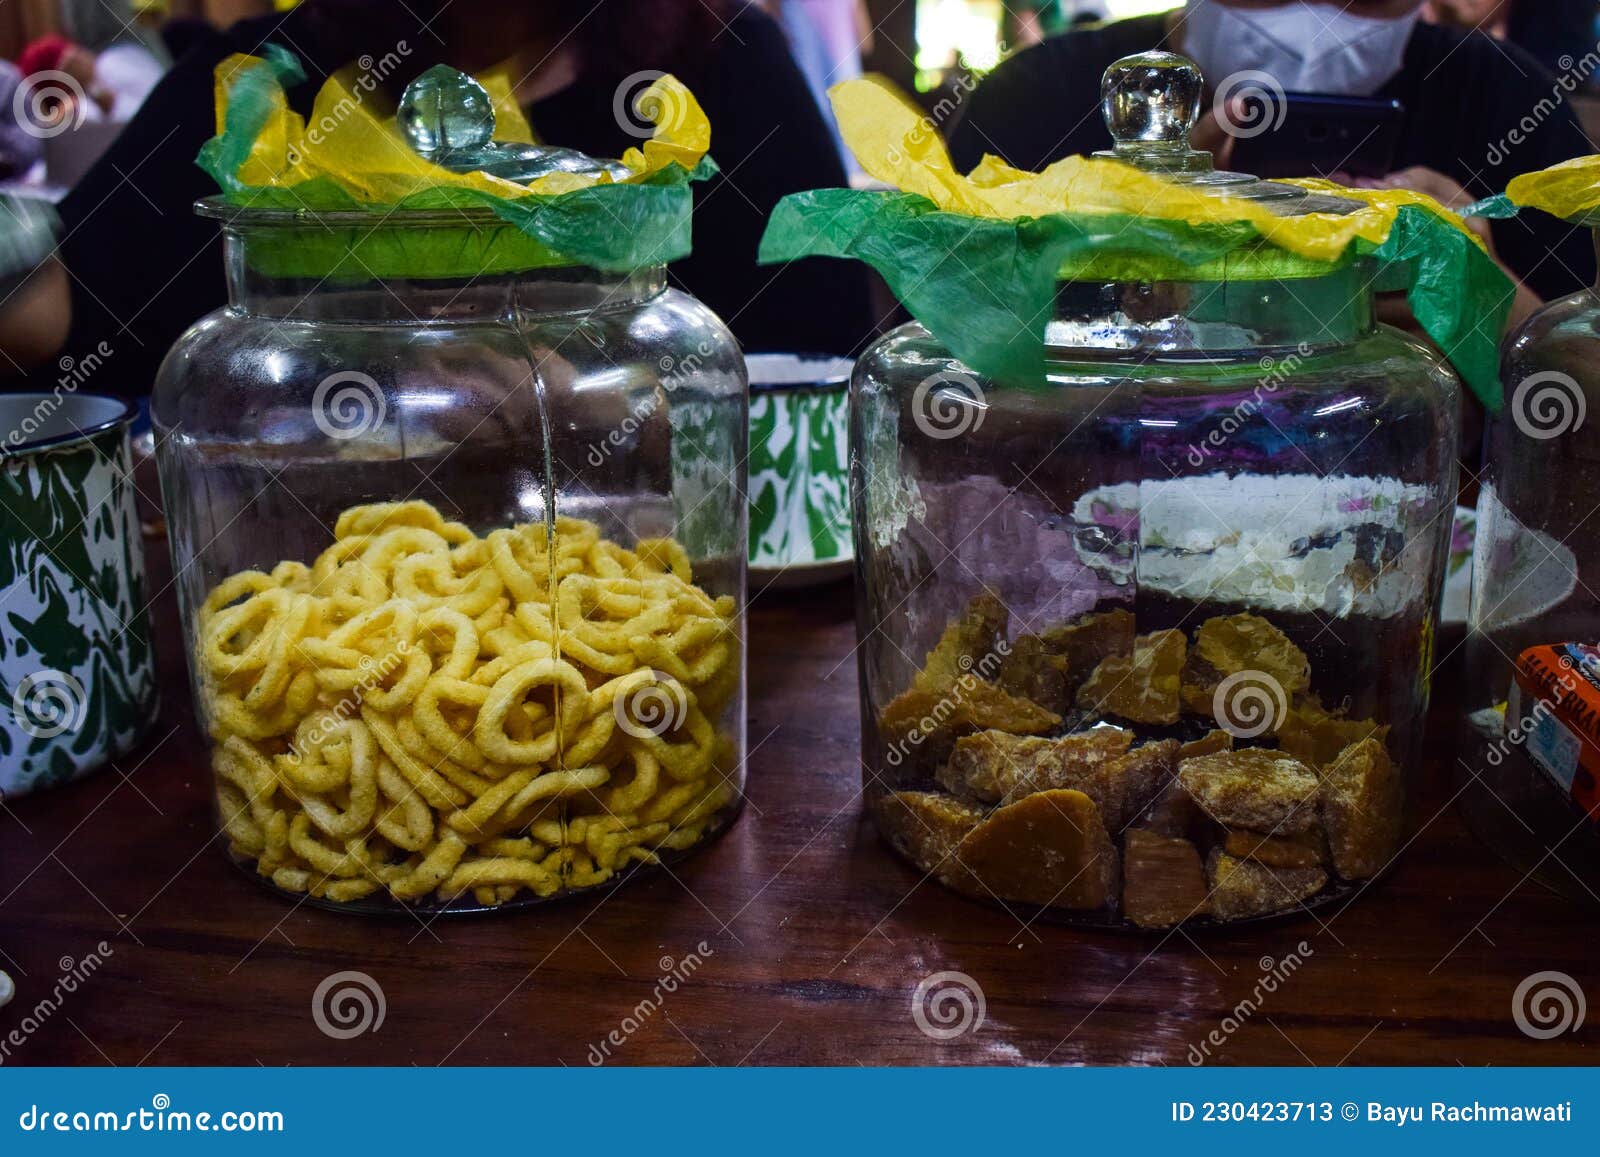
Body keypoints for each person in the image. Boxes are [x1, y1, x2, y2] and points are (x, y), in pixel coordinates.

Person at [7, 0, 873, 391]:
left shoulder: (726, 73)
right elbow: (70, 320)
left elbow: (818, 377)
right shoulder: (260, 94)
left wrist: (606, 411)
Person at [946, 0, 1597, 312]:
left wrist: (1488, 312)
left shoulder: (1511, 103)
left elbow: (1574, 412)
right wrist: (1129, 265)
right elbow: (940, 405)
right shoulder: (1026, 107)